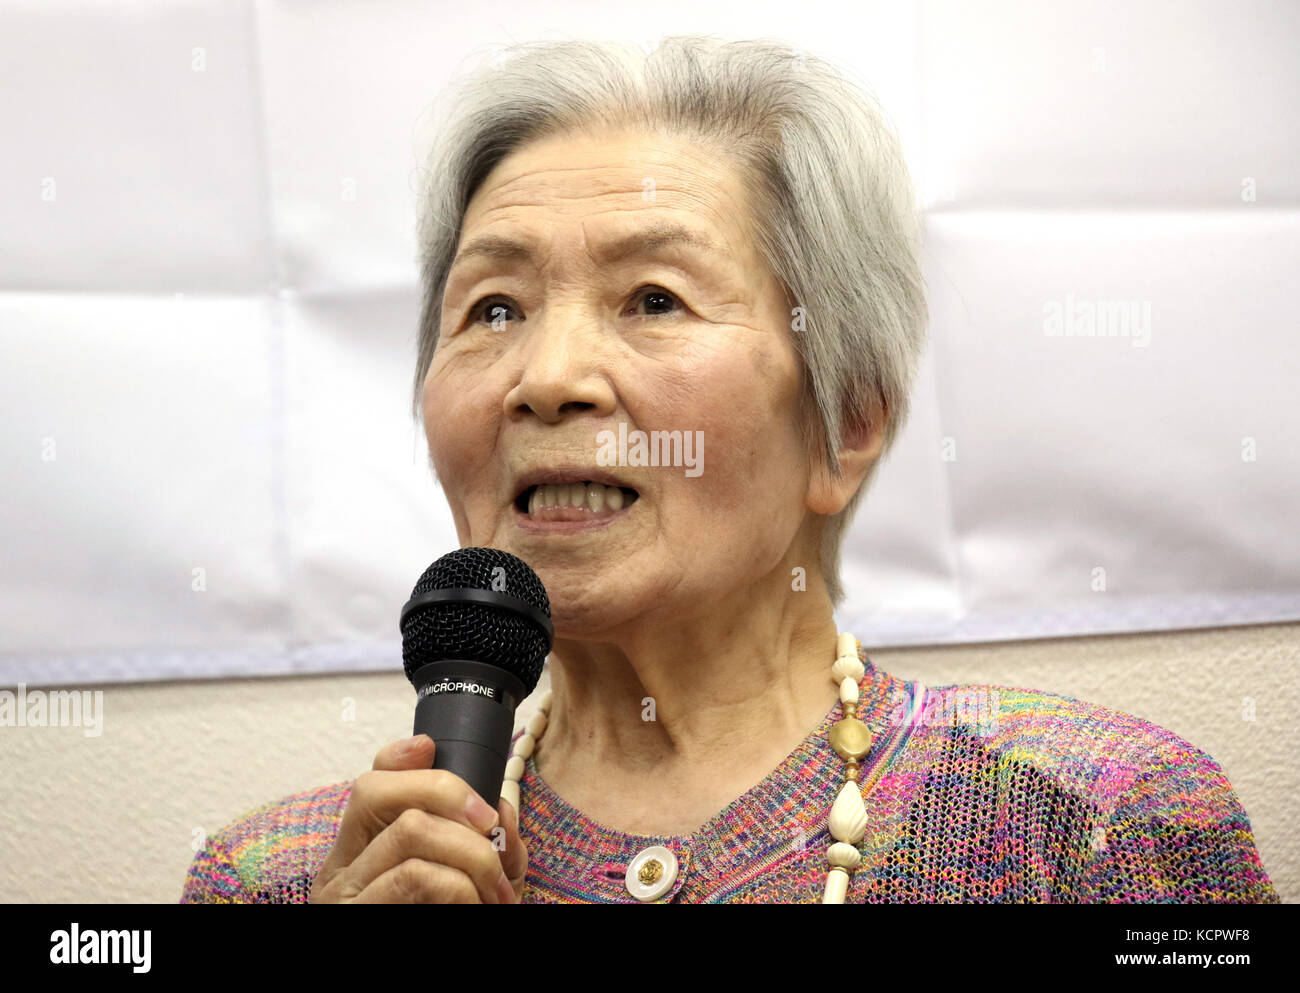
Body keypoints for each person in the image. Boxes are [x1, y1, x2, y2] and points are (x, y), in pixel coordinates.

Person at [181, 35, 1278, 904]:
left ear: (843, 426)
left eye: (654, 299)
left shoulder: (1099, 825)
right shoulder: (276, 879)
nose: (547, 378)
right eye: (494, 308)